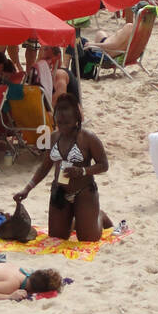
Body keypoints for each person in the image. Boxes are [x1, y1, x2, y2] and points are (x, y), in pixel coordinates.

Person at [13, 94, 109, 241]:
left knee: (88, 238)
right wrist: (27, 189)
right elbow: (45, 167)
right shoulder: (53, 137)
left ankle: (99, 216)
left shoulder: (88, 138)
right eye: (59, 122)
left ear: (76, 120)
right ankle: (76, 220)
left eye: (67, 122)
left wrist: (83, 171)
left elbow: (104, 165)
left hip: (84, 192)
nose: (62, 125)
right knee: (57, 237)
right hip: (60, 191)